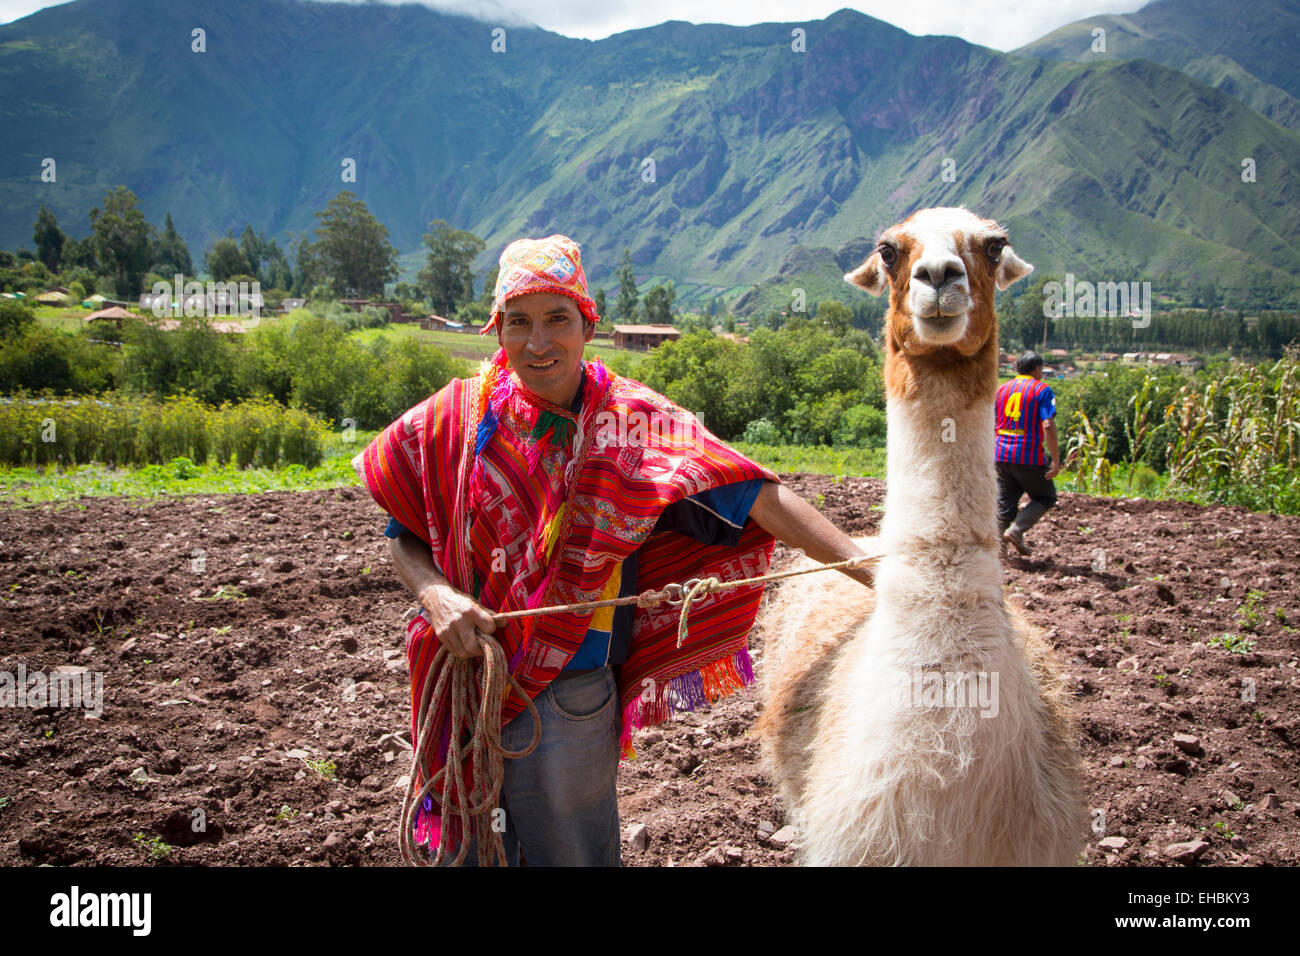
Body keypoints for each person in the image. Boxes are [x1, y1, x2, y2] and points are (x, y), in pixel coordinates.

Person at [353, 234, 872, 866]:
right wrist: (436, 595)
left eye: (557, 320)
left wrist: (873, 571)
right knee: (470, 851)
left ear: (587, 325)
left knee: (570, 855)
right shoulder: (455, 420)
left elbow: (754, 495)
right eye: (519, 322)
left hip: (571, 694)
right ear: (498, 329)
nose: (538, 343)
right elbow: (402, 534)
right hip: (463, 679)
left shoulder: (632, 422)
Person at [995, 350, 1060, 556]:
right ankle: (1017, 530)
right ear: (1036, 369)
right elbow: (1048, 425)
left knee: (1006, 503)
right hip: (1027, 454)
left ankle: (995, 547)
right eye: (1041, 369)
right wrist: (1056, 461)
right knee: (1045, 496)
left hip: (1001, 454)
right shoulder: (1043, 390)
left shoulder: (1002, 389)